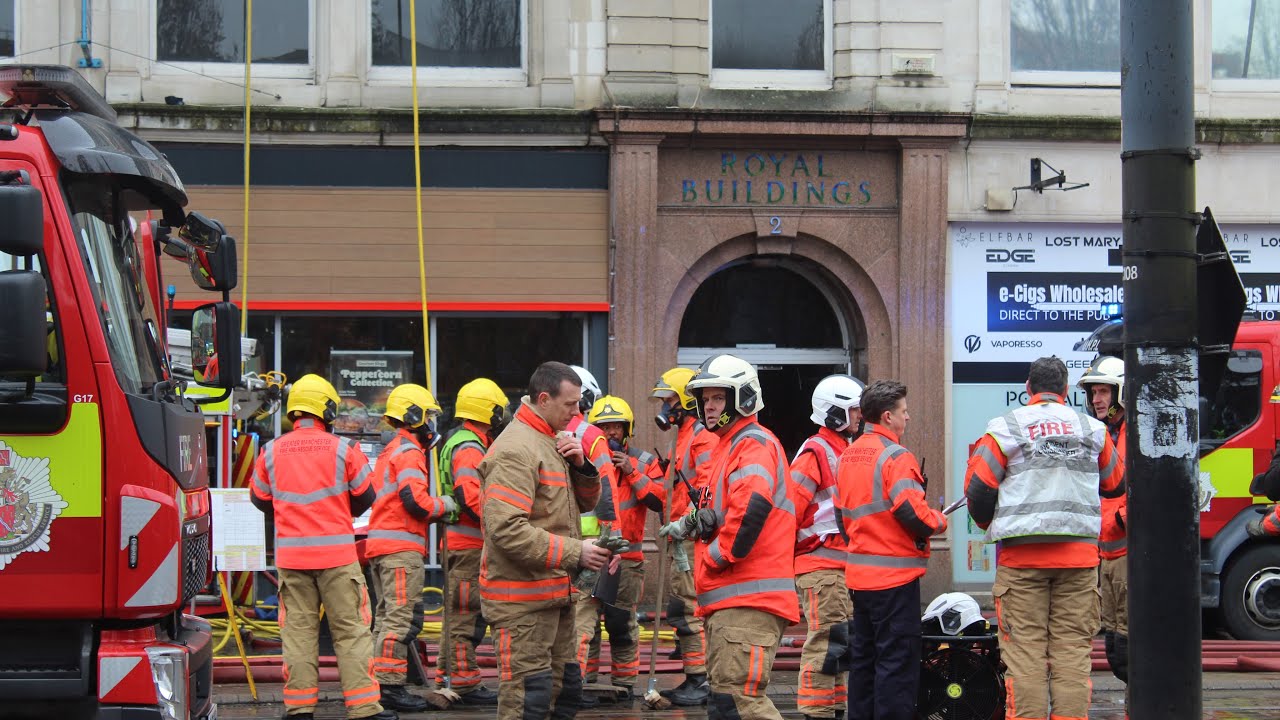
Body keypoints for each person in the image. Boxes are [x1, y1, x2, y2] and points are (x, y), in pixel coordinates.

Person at [965, 356, 1124, 720]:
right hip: (1080, 563)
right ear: (1066, 390)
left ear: (1028, 389)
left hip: (1022, 563)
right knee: (1071, 655)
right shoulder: (1092, 430)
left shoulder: (1006, 428)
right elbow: (1116, 483)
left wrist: (994, 524)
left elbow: (979, 490)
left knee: (1025, 657)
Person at [249, 374, 396, 720]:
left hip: (292, 559)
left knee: (298, 633)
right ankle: (363, 707)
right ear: (327, 410)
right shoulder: (343, 449)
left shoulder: (271, 451)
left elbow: (260, 499)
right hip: (338, 559)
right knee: (351, 631)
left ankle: (300, 708)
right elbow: (365, 498)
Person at [661, 354, 799, 720]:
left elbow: (751, 507)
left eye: (718, 398)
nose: (708, 407)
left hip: (748, 600)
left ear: (743, 398)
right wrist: (692, 523)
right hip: (736, 603)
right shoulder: (730, 445)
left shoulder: (751, 443)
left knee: (740, 703)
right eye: (705, 399)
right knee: (727, 705)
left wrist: (716, 556)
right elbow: (724, 510)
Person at [479, 361, 612, 720]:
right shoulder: (516, 449)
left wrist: (583, 467)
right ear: (543, 399)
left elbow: (577, 504)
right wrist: (576, 552)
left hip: (553, 598)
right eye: (570, 404)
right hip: (523, 606)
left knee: (564, 695)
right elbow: (506, 529)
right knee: (529, 703)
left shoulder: (550, 441)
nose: (577, 412)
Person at [839, 379, 946, 720]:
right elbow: (910, 511)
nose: (908, 417)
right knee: (896, 667)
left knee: (865, 664)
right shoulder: (896, 456)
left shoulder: (848, 454)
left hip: (860, 578)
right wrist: (938, 522)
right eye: (903, 411)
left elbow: (844, 518)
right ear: (887, 417)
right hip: (894, 581)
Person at [365, 384, 456, 713]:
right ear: (414, 417)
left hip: (382, 547)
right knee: (400, 621)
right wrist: (445, 506)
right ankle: (389, 689)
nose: (432, 425)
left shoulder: (392, 449)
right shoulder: (409, 451)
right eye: (429, 416)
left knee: (386, 618)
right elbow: (415, 502)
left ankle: (378, 684)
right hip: (399, 550)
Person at [433, 377, 510, 705]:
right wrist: (503, 524)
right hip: (467, 548)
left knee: (457, 615)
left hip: (460, 545)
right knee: (466, 616)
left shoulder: (463, 440)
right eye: (499, 410)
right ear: (488, 411)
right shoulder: (468, 445)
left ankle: (447, 677)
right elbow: (469, 494)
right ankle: (464, 683)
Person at [792, 374, 864, 720]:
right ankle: (816, 711)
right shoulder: (816, 451)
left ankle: (832, 708)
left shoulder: (841, 451)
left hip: (836, 569)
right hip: (819, 568)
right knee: (826, 641)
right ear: (834, 412)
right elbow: (789, 508)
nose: (859, 416)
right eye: (854, 410)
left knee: (840, 642)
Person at [589, 395, 667, 697]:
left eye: (616, 427)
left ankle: (623, 686)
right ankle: (587, 683)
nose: (610, 434)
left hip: (628, 558)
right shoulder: (584, 463)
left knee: (621, 625)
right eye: (604, 427)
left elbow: (661, 501)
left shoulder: (646, 461)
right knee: (587, 625)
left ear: (627, 429)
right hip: (592, 556)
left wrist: (631, 471)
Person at [649, 366, 717, 706]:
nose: (664, 407)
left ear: (686, 401)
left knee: (689, 608)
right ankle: (697, 677)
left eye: (669, 399)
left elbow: (707, 488)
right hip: (680, 537)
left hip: (690, 540)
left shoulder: (702, 437)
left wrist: (686, 523)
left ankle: (699, 680)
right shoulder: (684, 435)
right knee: (682, 607)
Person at [1077, 356, 1130, 691]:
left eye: (1102, 392)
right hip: (1108, 555)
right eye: (1093, 392)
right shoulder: (1108, 434)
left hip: (1127, 554)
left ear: (1119, 394)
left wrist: (1124, 520)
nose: (1096, 399)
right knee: (1114, 642)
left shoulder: (1132, 434)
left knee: (1127, 641)